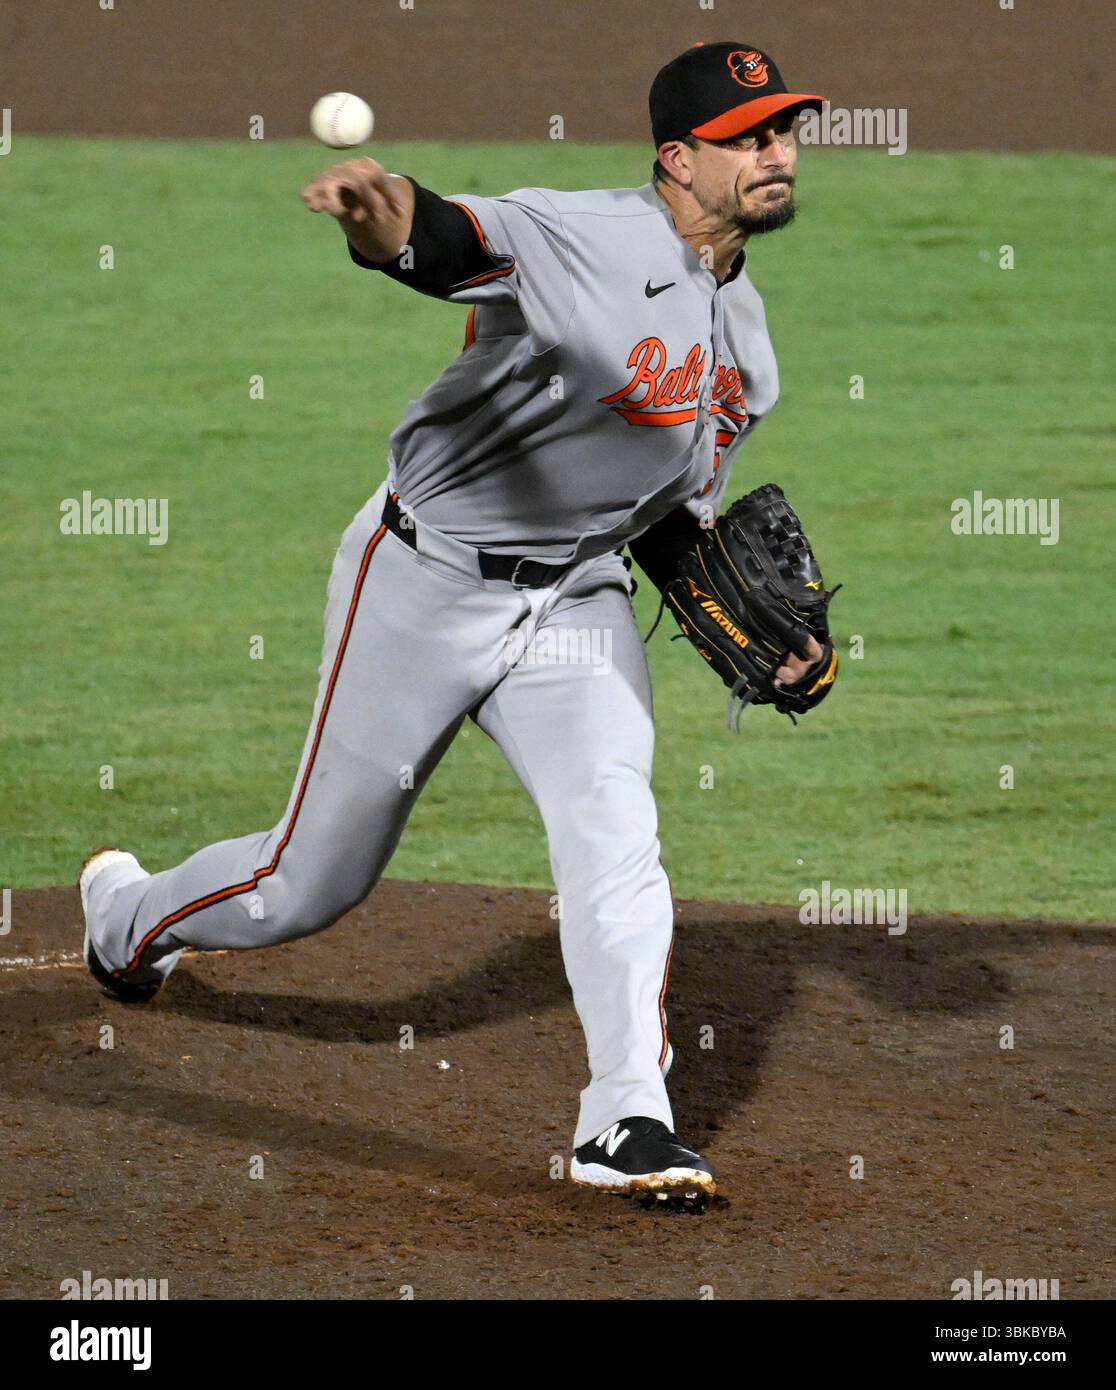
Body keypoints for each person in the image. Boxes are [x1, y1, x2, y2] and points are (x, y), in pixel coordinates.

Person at [79, 42, 827, 1200]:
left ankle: (626, 1116)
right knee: (306, 884)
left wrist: (772, 632)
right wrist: (380, 223)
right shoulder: (584, 233)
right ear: (679, 159)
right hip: (423, 582)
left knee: (613, 824)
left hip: (573, 601)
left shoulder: (754, 354)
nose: (778, 153)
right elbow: (446, 242)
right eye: (751, 137)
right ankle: (128, 918)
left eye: (785, 132)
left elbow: (668, 520)